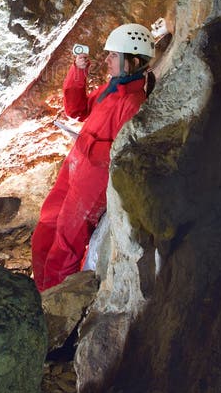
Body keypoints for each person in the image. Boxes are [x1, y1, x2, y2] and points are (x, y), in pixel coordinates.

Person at [31, 23, 155, 292]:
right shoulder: (111, 89)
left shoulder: (133, 102)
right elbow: (76, 110)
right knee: (45, 230)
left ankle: (53, 307)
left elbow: (121, 154)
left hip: (92, 182)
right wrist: (78, 71)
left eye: (113, 55)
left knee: (65, 246)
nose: (107, 60)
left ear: (131, 62)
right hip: (75, 167)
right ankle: (38, 292)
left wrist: (86, 144)